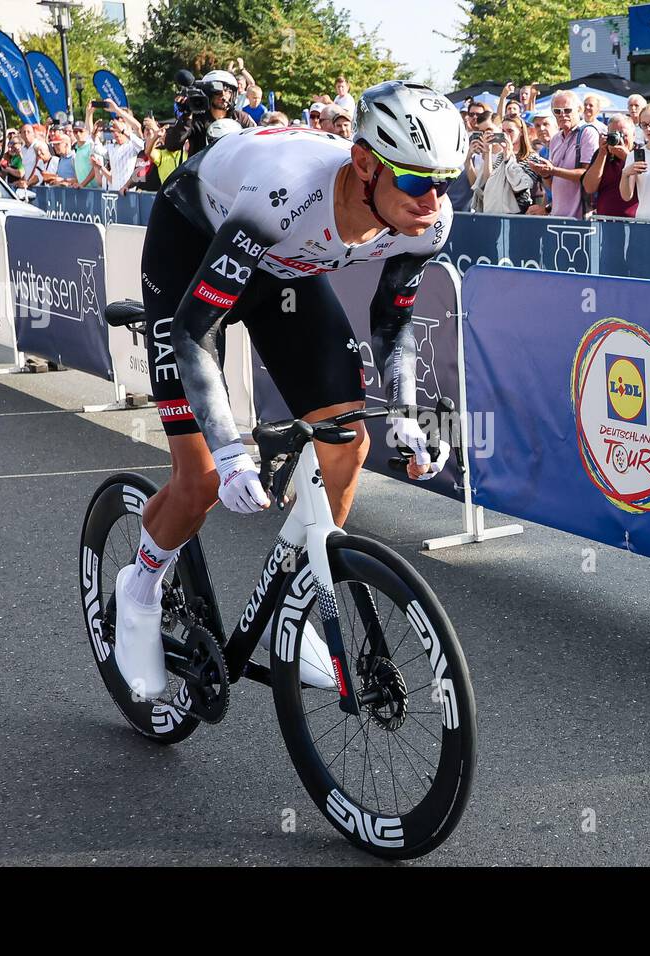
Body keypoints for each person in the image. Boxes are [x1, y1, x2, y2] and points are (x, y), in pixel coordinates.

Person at [113, 82, 462, 696]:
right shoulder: (287, 195)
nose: (432, 199)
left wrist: (405, 409)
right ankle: (138, 590)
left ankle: (297, 614)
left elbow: (393, 319)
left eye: (446, 182)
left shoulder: (425, 222)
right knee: (201, 481)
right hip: (193, 249)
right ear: (364, 165)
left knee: (345, 440)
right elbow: (195, 332)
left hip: (283, 272)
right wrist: (228, 450)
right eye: (414, 182)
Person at [527, 91, 600, 219]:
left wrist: (553, 170)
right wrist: (545, 174)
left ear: (579, 110)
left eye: (567, 110)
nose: (562, 115)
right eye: (557, 111)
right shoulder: (555, 139)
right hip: (557, 215)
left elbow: (588, 176)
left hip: (580, 218)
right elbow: (552, 185)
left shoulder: (588, 133)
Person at [163, 69, 255, 159]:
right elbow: (172, 145)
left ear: (233, 94)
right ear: (208, 93)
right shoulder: (195, 119)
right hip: (202, 171)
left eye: (228, 91)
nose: (223, 94)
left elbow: (256, 141)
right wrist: (186, 118)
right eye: (217, 91)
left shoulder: (241, 118)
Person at [474, 116, 541, 215]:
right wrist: (488, 152)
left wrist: (509, 155)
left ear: (521, 132)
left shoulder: (532, 157)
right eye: (503, 131)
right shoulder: (501, 155)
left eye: (510, 131)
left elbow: (520, 187)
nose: (506, 135)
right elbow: (489, 182)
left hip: (520, 212)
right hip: (496, 210)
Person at [582, 115, 638, 218]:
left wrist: (627, 157)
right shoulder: (602, 153)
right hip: (605, 220)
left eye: (623, 134)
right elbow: (589, 187)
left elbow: (647, 183)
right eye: (614, 134)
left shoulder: (640, 153)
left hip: (634, 222)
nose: (619, 138)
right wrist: (602, 153)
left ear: (634, 135)